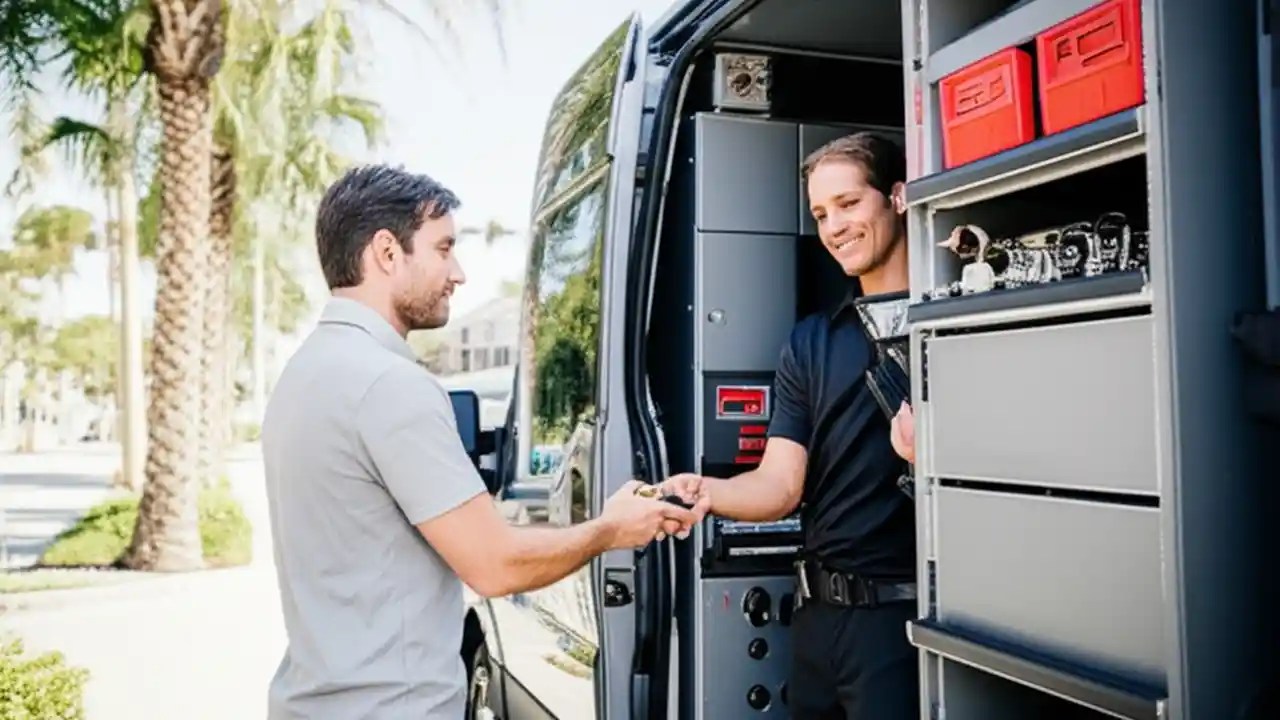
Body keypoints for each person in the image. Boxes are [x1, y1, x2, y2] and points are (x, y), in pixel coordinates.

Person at [261, 164, 697, 719]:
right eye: (443, 249)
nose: (459, 273)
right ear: (387, 252)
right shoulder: (390, 385)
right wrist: (611, 528)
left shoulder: (304, 374)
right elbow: (496, 566)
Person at [664, 133, 919, 718]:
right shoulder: (811, 341)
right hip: (818, 625)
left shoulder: (952, 316)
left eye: (849, 204)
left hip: (900, 621)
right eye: (821, 214)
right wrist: (707, 494)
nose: (834, 228)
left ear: (899, 197)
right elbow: (781, 485)